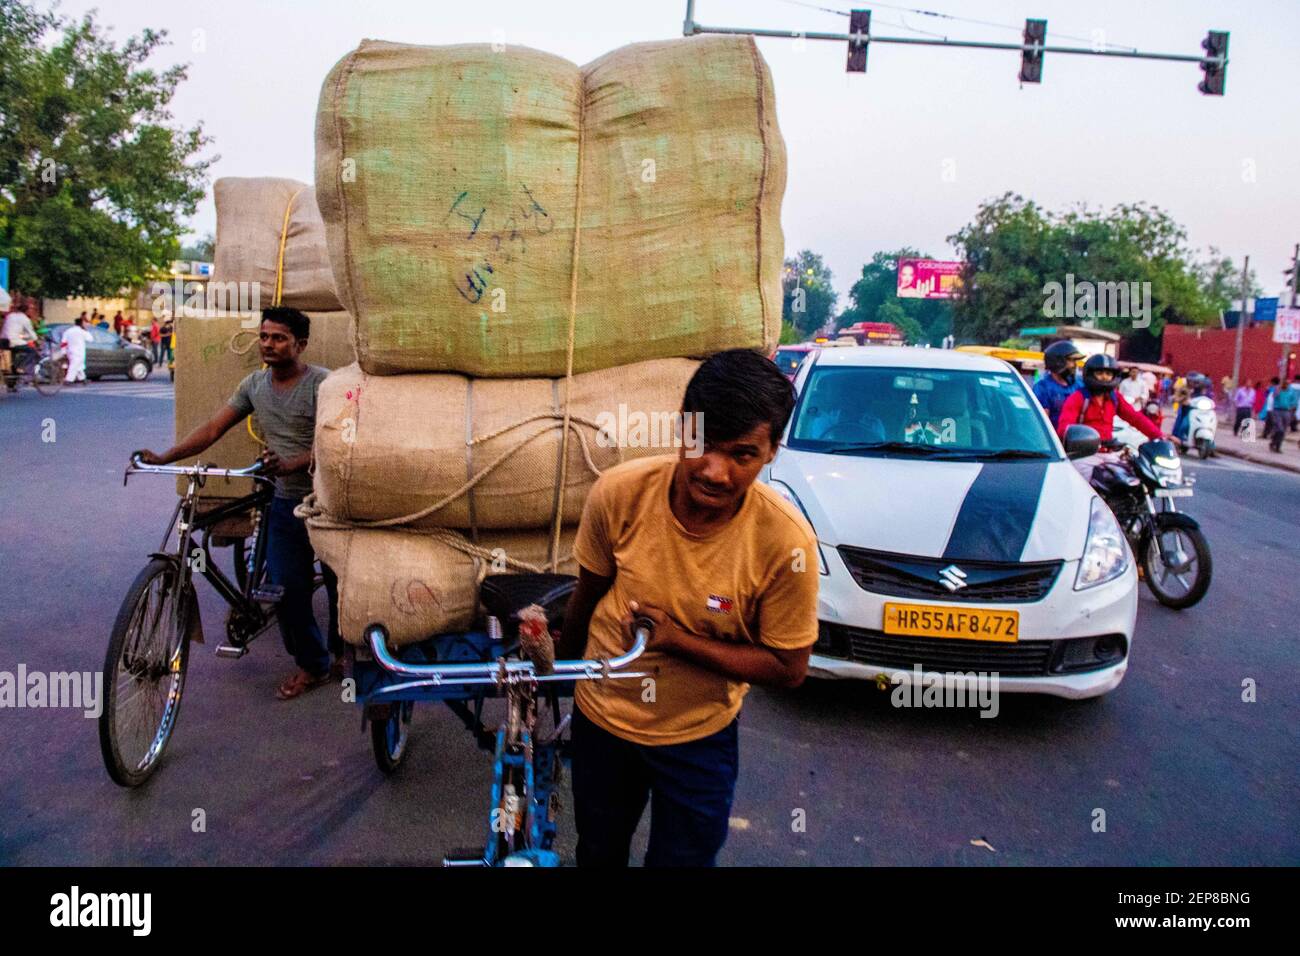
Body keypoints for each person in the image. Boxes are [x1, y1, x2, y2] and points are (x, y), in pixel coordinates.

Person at [557, 349, 818, 867]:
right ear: (681, 427)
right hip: (603, 723)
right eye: (703, 445)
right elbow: (587, 596)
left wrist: (678, 640)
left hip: (700, 738)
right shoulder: (619, 495)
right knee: (598, 854)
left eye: (742, 454)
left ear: (771, 451)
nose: (715, 472)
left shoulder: (786, 545)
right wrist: (558, 679)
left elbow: (789, 668)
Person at [132, 307, 342, 699]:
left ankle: (342, 650)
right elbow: (213, 428)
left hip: (328, 503)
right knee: (286, 590)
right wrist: (165, 457)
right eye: (264, 337)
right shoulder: (254, 386)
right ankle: (314, 665)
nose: (268, 344)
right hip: (285, 504)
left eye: (279, 338)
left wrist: (295, 461)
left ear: (301, 344)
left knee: (337, 582)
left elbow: (339, 441)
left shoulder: (322, 384)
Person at [1058, 354, 1163, 481]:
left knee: (1131, 483)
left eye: (1108, 373)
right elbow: (1065, 429)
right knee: (1088, 489)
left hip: (1109, 454)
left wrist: (1159, 437)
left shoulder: (1115, 397)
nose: (1104, 377)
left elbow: (1136, 418)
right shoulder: (1079, 398)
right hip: (1084, 456)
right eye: (1100, 373)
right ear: (1090, 374)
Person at [1031, 339, 1084, 429]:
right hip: (1055, 440)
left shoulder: (1080, 385)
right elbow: (1042, 424)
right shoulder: (1043, 388)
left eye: (1075, 361)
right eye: (1071, 360)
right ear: (1057, 362)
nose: (1074, 365)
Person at [2, 299, 39, 391]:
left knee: (14, 361)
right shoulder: (25, 319)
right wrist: (35, 339)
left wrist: (23, 336)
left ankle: (12, 385)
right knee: (32, 351)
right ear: (27, 311)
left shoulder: (10, 316)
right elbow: (32, 335)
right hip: (14, 342)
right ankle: (21, 367)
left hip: (3, 341)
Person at [61, 315, 94, 385]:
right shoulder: (82, 332)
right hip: (79, 351)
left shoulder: (68, 331)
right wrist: (86, 330)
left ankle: (83, 379)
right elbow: (90, 339)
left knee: (79, 366)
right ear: (82, 324)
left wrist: (63, 351)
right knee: (74, 365)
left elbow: (63, 342)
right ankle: (68, 380)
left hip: (70, 350)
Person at [1270, 375, 1299, 452]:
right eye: (1284, 382)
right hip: (1277, 411)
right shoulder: (1278, 389)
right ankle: (1275, 444)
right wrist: (1278, 389)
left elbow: (1293, 399)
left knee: (1284, 430)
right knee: (1280, 429)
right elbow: (1274, 396)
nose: (1286, 383)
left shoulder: (1291, 390)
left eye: (1287, 382)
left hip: (1287, 412)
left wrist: (1292, 407)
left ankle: (1276, 445)